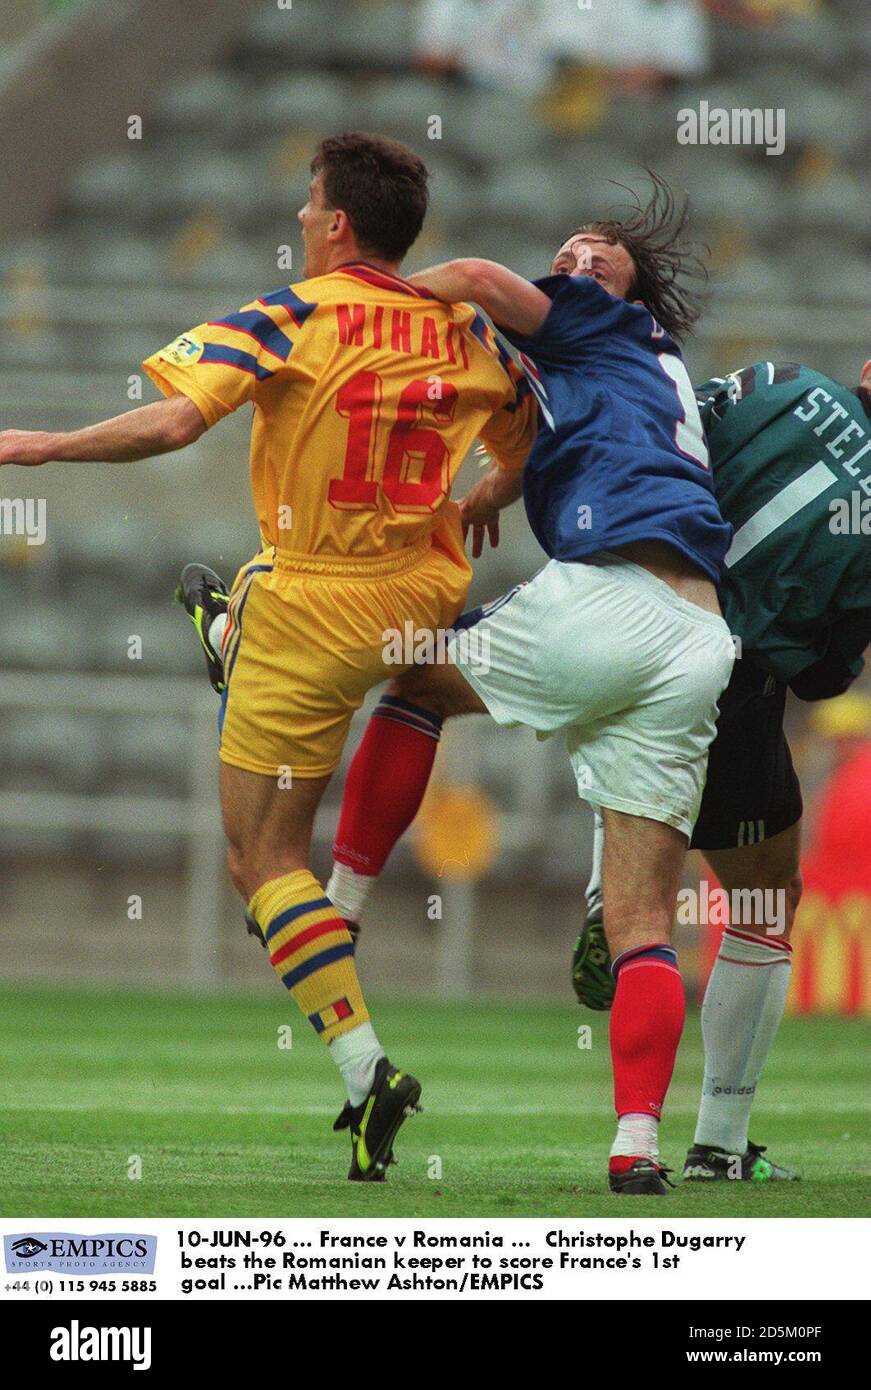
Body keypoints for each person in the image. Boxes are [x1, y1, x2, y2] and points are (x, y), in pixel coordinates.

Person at [0, 131, 537, 1182]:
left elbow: (171, 426)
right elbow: (534, 443)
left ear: (336, 224)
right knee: (336, 641)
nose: (298, 216)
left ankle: (363, 1065)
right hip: (424, 592)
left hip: (315, 610)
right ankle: (236, 628)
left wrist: (38, 445)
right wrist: (483, 495)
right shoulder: (471, 330)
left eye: (307, 202)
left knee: (261, 863)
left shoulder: (295, 311)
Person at [183, 178, 736, 1195]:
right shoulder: (646, 375)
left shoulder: (603, 326)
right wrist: (492, 481)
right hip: (696, 638)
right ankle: (636, 1145)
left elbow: (479, 281)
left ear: (629, 296)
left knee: (396, 663)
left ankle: (338, 900)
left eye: (595, 259)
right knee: (643, 925)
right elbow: (571, 440)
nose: (571, 267)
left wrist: (380, 302)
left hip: (605, 598)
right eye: (565, 251)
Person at [574, 357, 871, 1182]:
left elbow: (680, 428)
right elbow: (823, 674)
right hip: (733, 677)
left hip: (635, 609)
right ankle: (717, 1144)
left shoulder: (784, 380)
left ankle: (607, 857)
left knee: (468, 675)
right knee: (764, 898)